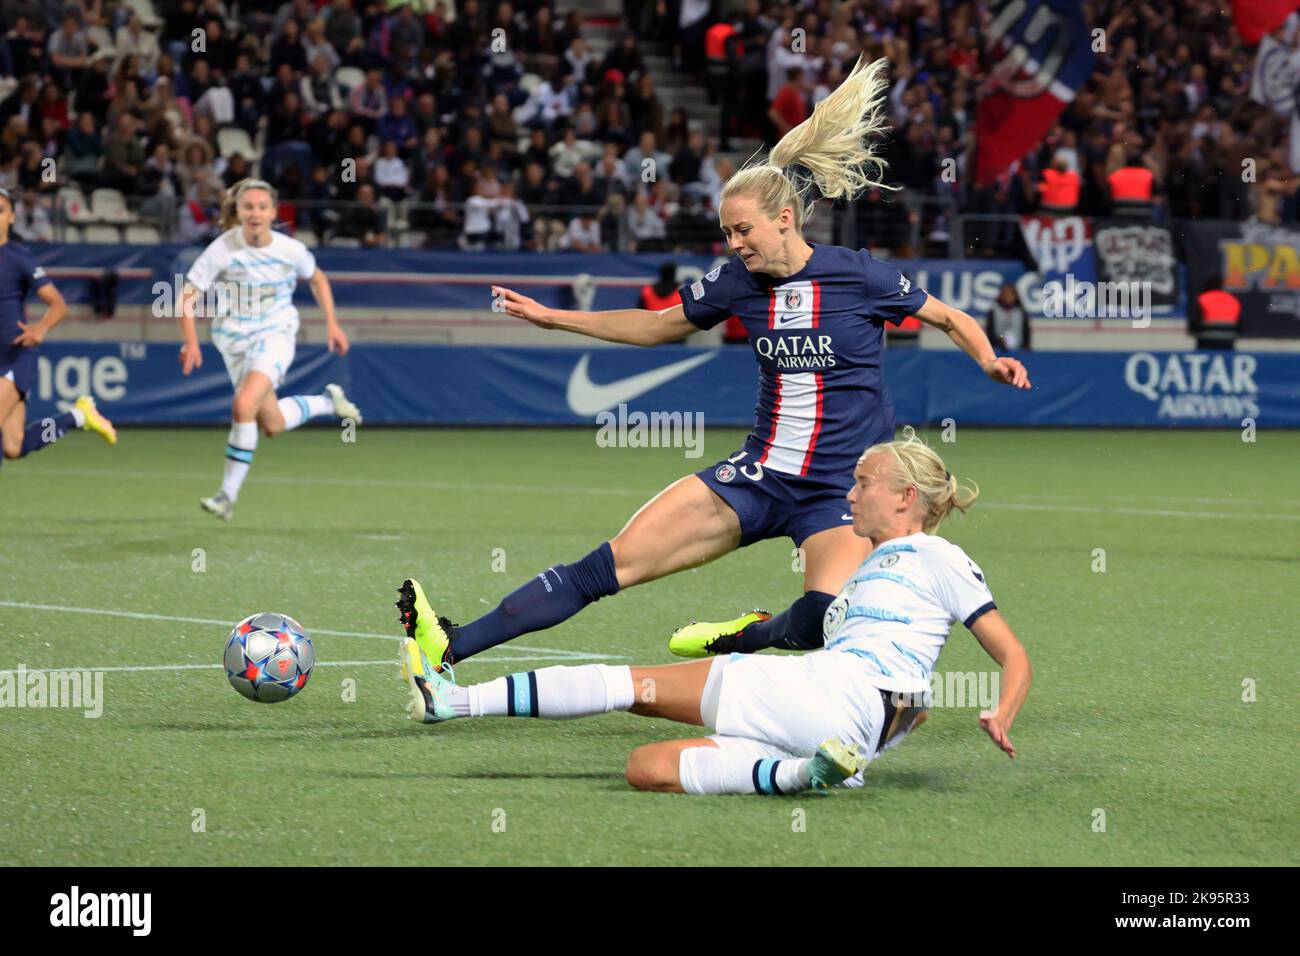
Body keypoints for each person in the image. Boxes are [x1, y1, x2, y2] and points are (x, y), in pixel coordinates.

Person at [398, 56, 1030, 676]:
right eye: (727, 233)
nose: (734, 245)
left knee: (819, 622)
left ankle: (745, 635)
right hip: (756, 475)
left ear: (785, 219)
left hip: (840, 489)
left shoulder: (858, 274)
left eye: (742, 230)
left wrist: (989, 359)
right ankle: (449, 646)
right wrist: (553, 318)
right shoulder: (736, 282)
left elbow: (949, 317)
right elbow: (655, 326)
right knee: (608, 566)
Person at [399, 429, 1032, 796]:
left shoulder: (935, 554)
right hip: (844, 726)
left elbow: (1012, 652)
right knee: (646, 769)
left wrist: (1001, 712)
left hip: (836, 692)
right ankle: (798, 774)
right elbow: (904, 701)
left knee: (632, 686)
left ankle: (453, 702)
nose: (849, 492)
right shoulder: (863, 577)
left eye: (862, 482)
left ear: (904, 498)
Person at [178, 178, 362, 520]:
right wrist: (190, 340)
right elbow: (186, 297)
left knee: (243, 404)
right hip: (233, 342)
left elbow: (318, 279)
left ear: (274, 213)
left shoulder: (289, 250)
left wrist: (332, 324)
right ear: (239, 210)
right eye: (249, 207)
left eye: (263, 207)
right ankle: (326, 402)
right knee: (272, 424)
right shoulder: (221, 249)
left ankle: (226, 496)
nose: (255, 213)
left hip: (275, 335)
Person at [0, 187, 117, 471]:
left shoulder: (18, 257)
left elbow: (58, 305)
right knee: (14, 446)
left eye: (0, 209)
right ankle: (76, 416)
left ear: (12, 217)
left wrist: (40, 329)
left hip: (14, 354)